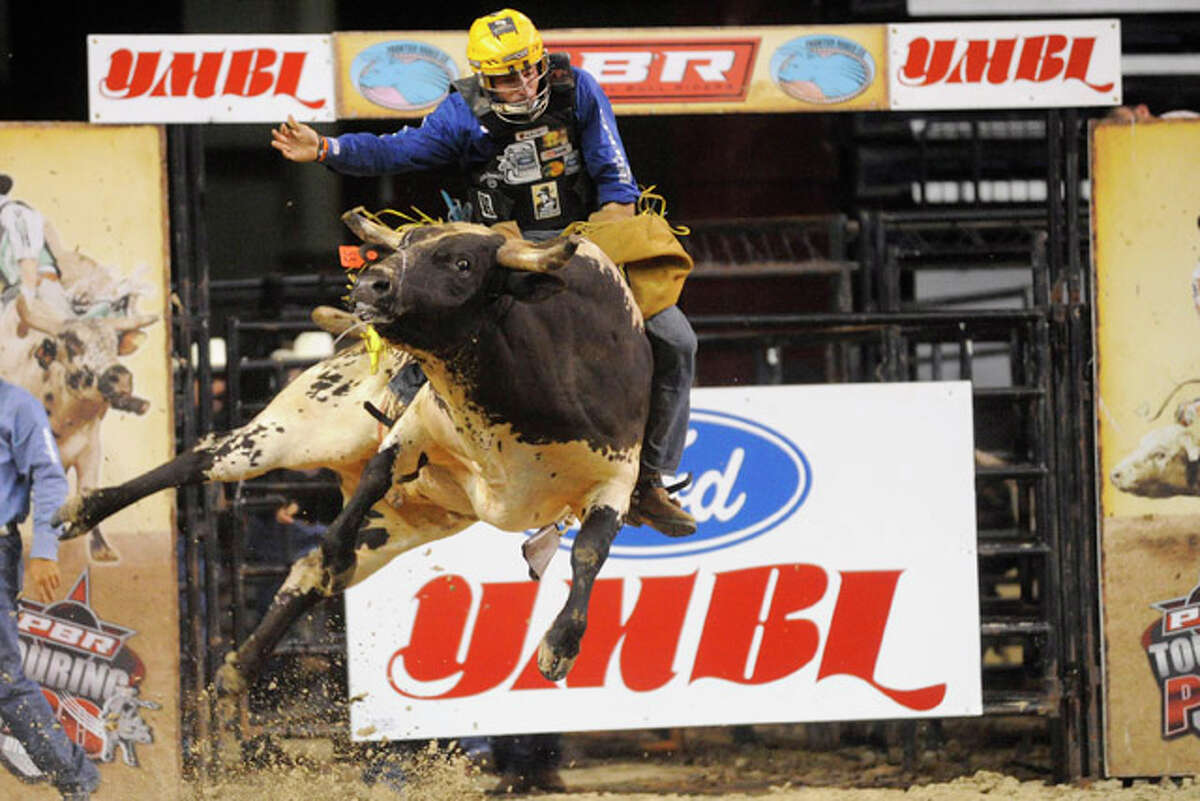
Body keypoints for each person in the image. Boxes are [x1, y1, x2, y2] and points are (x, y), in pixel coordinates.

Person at [270, 8, 697, 540]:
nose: (521, 85)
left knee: (676, 339)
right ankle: (395, 437)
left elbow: (615, 174)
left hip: (586, 242)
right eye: (504, 76)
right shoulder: (460, 116)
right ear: (482, 78)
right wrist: (328, 149)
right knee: (435, 325)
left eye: (528, 69)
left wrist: (609, 233)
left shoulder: (578, 90)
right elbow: (397, 150)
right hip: (499, 250)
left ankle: (650, 479)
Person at [0, 378, 101, 801]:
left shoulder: (17, 407)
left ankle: (76, 777)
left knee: (4, 679)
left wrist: (45, 550)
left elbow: (50, 477)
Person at [0, 174, 61, 308]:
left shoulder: (14, 213)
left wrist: (28, 300)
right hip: (15, 292)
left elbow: (28, 260)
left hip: (39, 288)